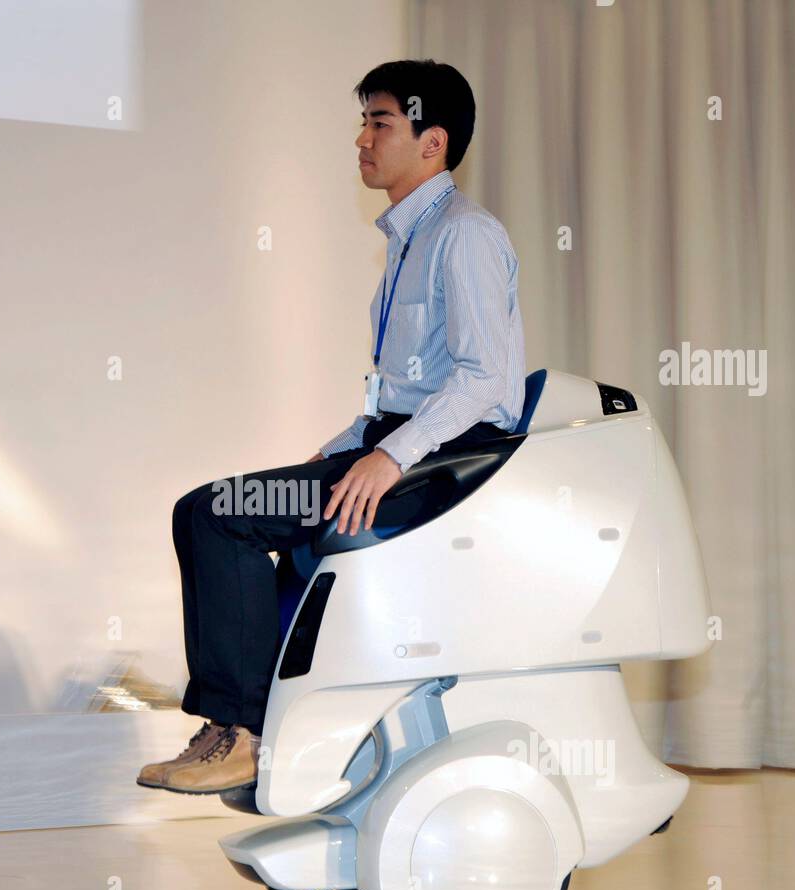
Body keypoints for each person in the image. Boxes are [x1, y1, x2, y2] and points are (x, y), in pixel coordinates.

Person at [138, 59, 527, 794]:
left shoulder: (465, 236)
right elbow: (406, 386)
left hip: (443, 464)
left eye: (380, 122)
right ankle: (251, 727)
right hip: (401, 448)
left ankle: (239, 730)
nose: (361, 138)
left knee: (218, 516)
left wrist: (387, 458)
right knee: (217, 511)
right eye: (364, 122)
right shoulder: (411, 239)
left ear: (432, 141)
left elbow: (482, 378)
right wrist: (347, 447)